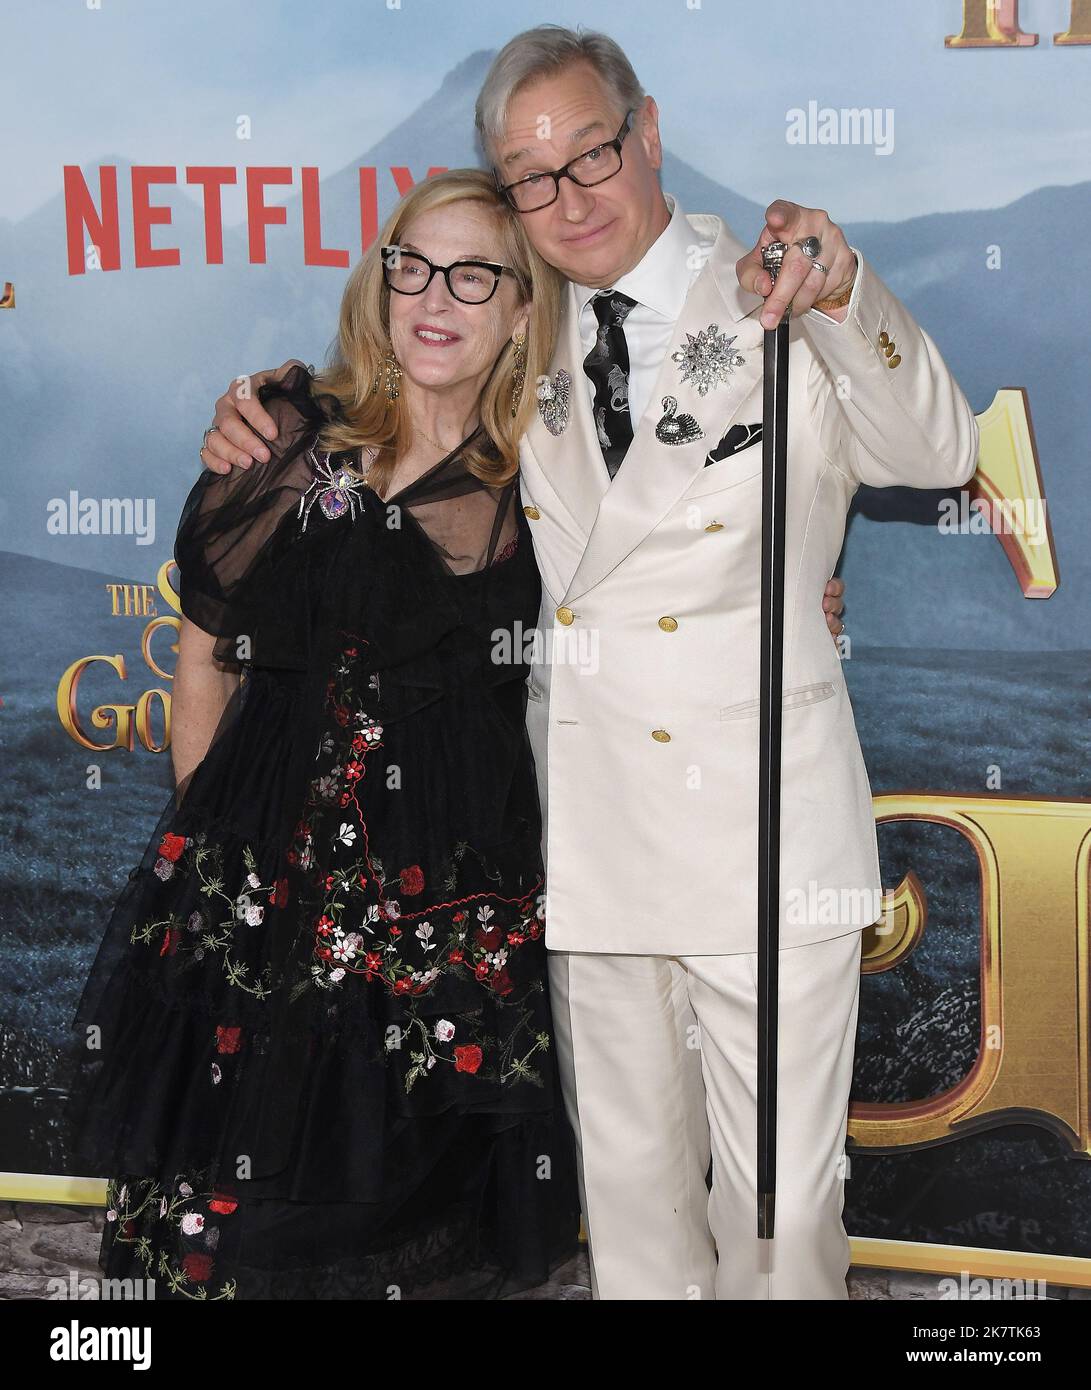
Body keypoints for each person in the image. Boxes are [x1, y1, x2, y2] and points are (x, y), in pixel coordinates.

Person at [198, 26, 959, 1303]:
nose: (570, 198)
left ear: (646, 133)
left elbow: (933, 454)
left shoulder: (775, 287)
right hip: (593, 856)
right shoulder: (523, 333)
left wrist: (846, 292)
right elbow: (396, 401)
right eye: (530, 178)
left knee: (780, 1237)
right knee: (634, 1227)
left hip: (761, 850)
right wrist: (262, 419)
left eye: (591, 153)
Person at [67, 167, 584, 1300]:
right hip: (262, 888)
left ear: (519, 310)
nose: (432, 295)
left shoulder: (551, 480)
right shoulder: (294, 440)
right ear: (381, 281)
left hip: (447, 915)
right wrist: (218, 851)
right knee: (236, 1207)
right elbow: (204, 643)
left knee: (403, 1193)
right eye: (412, 264)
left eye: (470, 274)